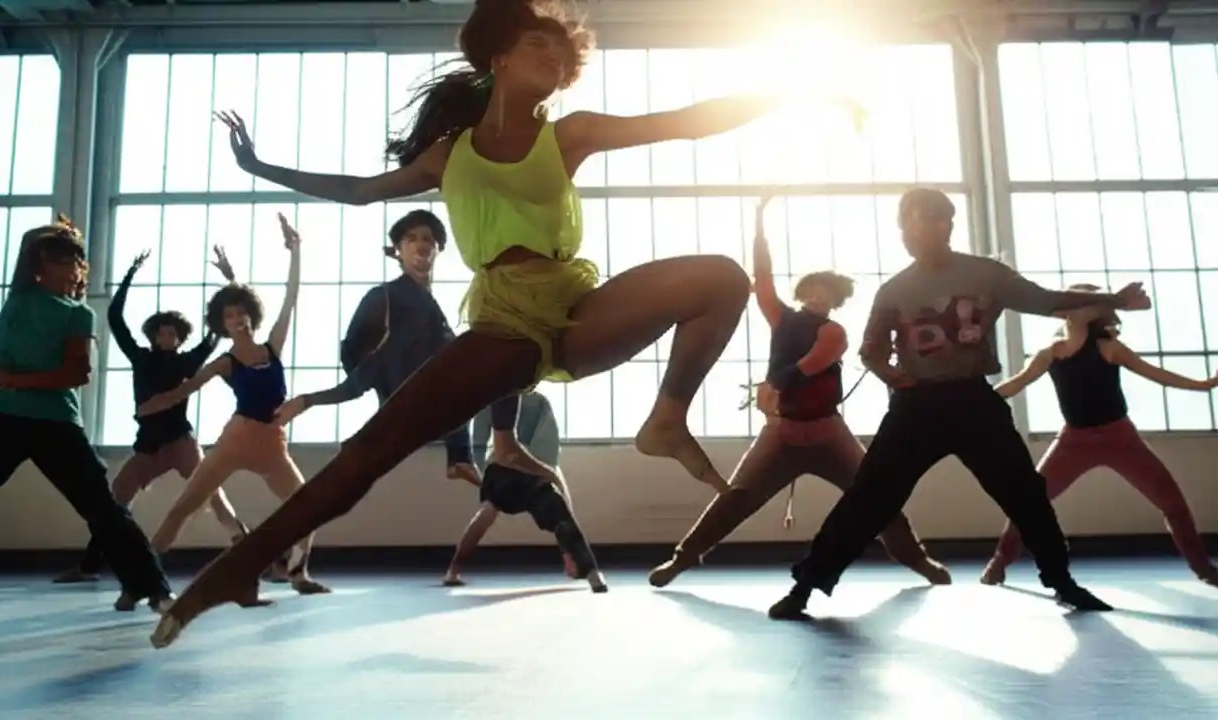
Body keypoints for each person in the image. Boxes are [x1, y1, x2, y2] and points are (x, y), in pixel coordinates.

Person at [151, 0, 849, 648]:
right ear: (499, 61)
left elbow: (685, 120)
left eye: (559, 49)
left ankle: (665, 418)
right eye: (535, 43)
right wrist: (257, 164)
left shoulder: (570, 134)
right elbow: (360, 192)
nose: (553, 55)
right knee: (374, 447)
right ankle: (240, 565)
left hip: (575, 306)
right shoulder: (449, 154)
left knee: (720, 278)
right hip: (505, 321)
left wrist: (796, 90)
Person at [768, 187, 1153, 620]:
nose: (921, 231)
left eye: (933, 220)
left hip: (973, 400)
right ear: (902, 230)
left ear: (947, 225)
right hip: (916, 406)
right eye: (911, 223)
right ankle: (805, 587)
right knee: (870, 497)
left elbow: (1044, 300)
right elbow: (871, 351)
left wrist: (1114, 300)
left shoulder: (986, 275)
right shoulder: (895, 291)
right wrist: (896, 376)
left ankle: (1062, 581)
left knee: (1025, 493)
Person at [648, 195, 950, 588]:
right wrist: (759, 225)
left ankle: (917, 560)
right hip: (782, 433)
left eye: (826, 293)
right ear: (804, 292)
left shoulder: (835, 334)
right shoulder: (782, 318)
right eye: (812, 290)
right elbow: (763, 280)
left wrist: (773, 383)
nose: (817, 296)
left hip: (828, 432)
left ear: (835, 299)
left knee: (878, 495)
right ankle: (681, 560)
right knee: (737, 498)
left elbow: (808, 367)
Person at [0, 217, 173, 618]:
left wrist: (16, 379)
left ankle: (154, 590)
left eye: (72, 260)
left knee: (102, 507)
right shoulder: (19, 298)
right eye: (56, 258)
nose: (65, 266)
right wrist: (61, 231)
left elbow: (76, 374)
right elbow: (30, 247)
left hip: (55, 423)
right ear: (38, 264)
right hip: (1, 418)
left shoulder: (78, 314)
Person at [274, 209, 551, 484]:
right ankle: (462, 453)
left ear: (438, 249)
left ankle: (473, 452)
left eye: (428, 240)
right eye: (411, 239)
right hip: (398, 390)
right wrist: (306, 401)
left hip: (431, 400)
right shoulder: (386, 297)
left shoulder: (433, 317)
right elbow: (359, 368)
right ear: (398, 250)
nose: (421, 245)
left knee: (499, 355)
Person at [136, 213, 329, 596]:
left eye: (241, 314)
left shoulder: (272, 346)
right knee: (183, 507)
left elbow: (291, 299)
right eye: (229, 317)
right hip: (236, 439)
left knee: (309, 507)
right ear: (222, 324)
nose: (238, 320)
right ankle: (142, 581)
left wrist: (296, 250)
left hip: (273, 443)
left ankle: (298, 574)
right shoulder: (226, 362)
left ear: (250, 316)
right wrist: (155, 404)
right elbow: (186, 388)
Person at [982, 288, 1218, 587]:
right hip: (1073, 441)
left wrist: (1204, 385)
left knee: (1173, 503)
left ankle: (1203, 568)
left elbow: (1157, 374)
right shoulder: (1050, 353)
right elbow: (1014, 385)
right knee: (1030, 502)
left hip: (1120, 437)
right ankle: (1000, 561)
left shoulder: (1109, 348)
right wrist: (975, 397)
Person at [54, 247, 250, 584]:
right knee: (113, 500)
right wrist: (130, 273)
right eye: (162, 332)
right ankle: (88, 566)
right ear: (154, 336)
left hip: (181, 442)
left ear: (179, 338)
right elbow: (115, 318)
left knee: (211, 491)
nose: (167, 337)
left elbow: (219, 331)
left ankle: (245, 547)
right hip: (147, 446)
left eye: (173, 334)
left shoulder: (187, 362)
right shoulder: (141, 357)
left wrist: (230, 280)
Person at [443, 391, 605, 591]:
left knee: (553, 503)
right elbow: (491, 445)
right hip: (513, 468)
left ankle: (454, 570)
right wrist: (547, 473)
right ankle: (587, 568)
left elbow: (486, 444)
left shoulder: (532, 402)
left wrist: (543, 472)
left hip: (516, 467)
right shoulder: (501, 399)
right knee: (556, 504)